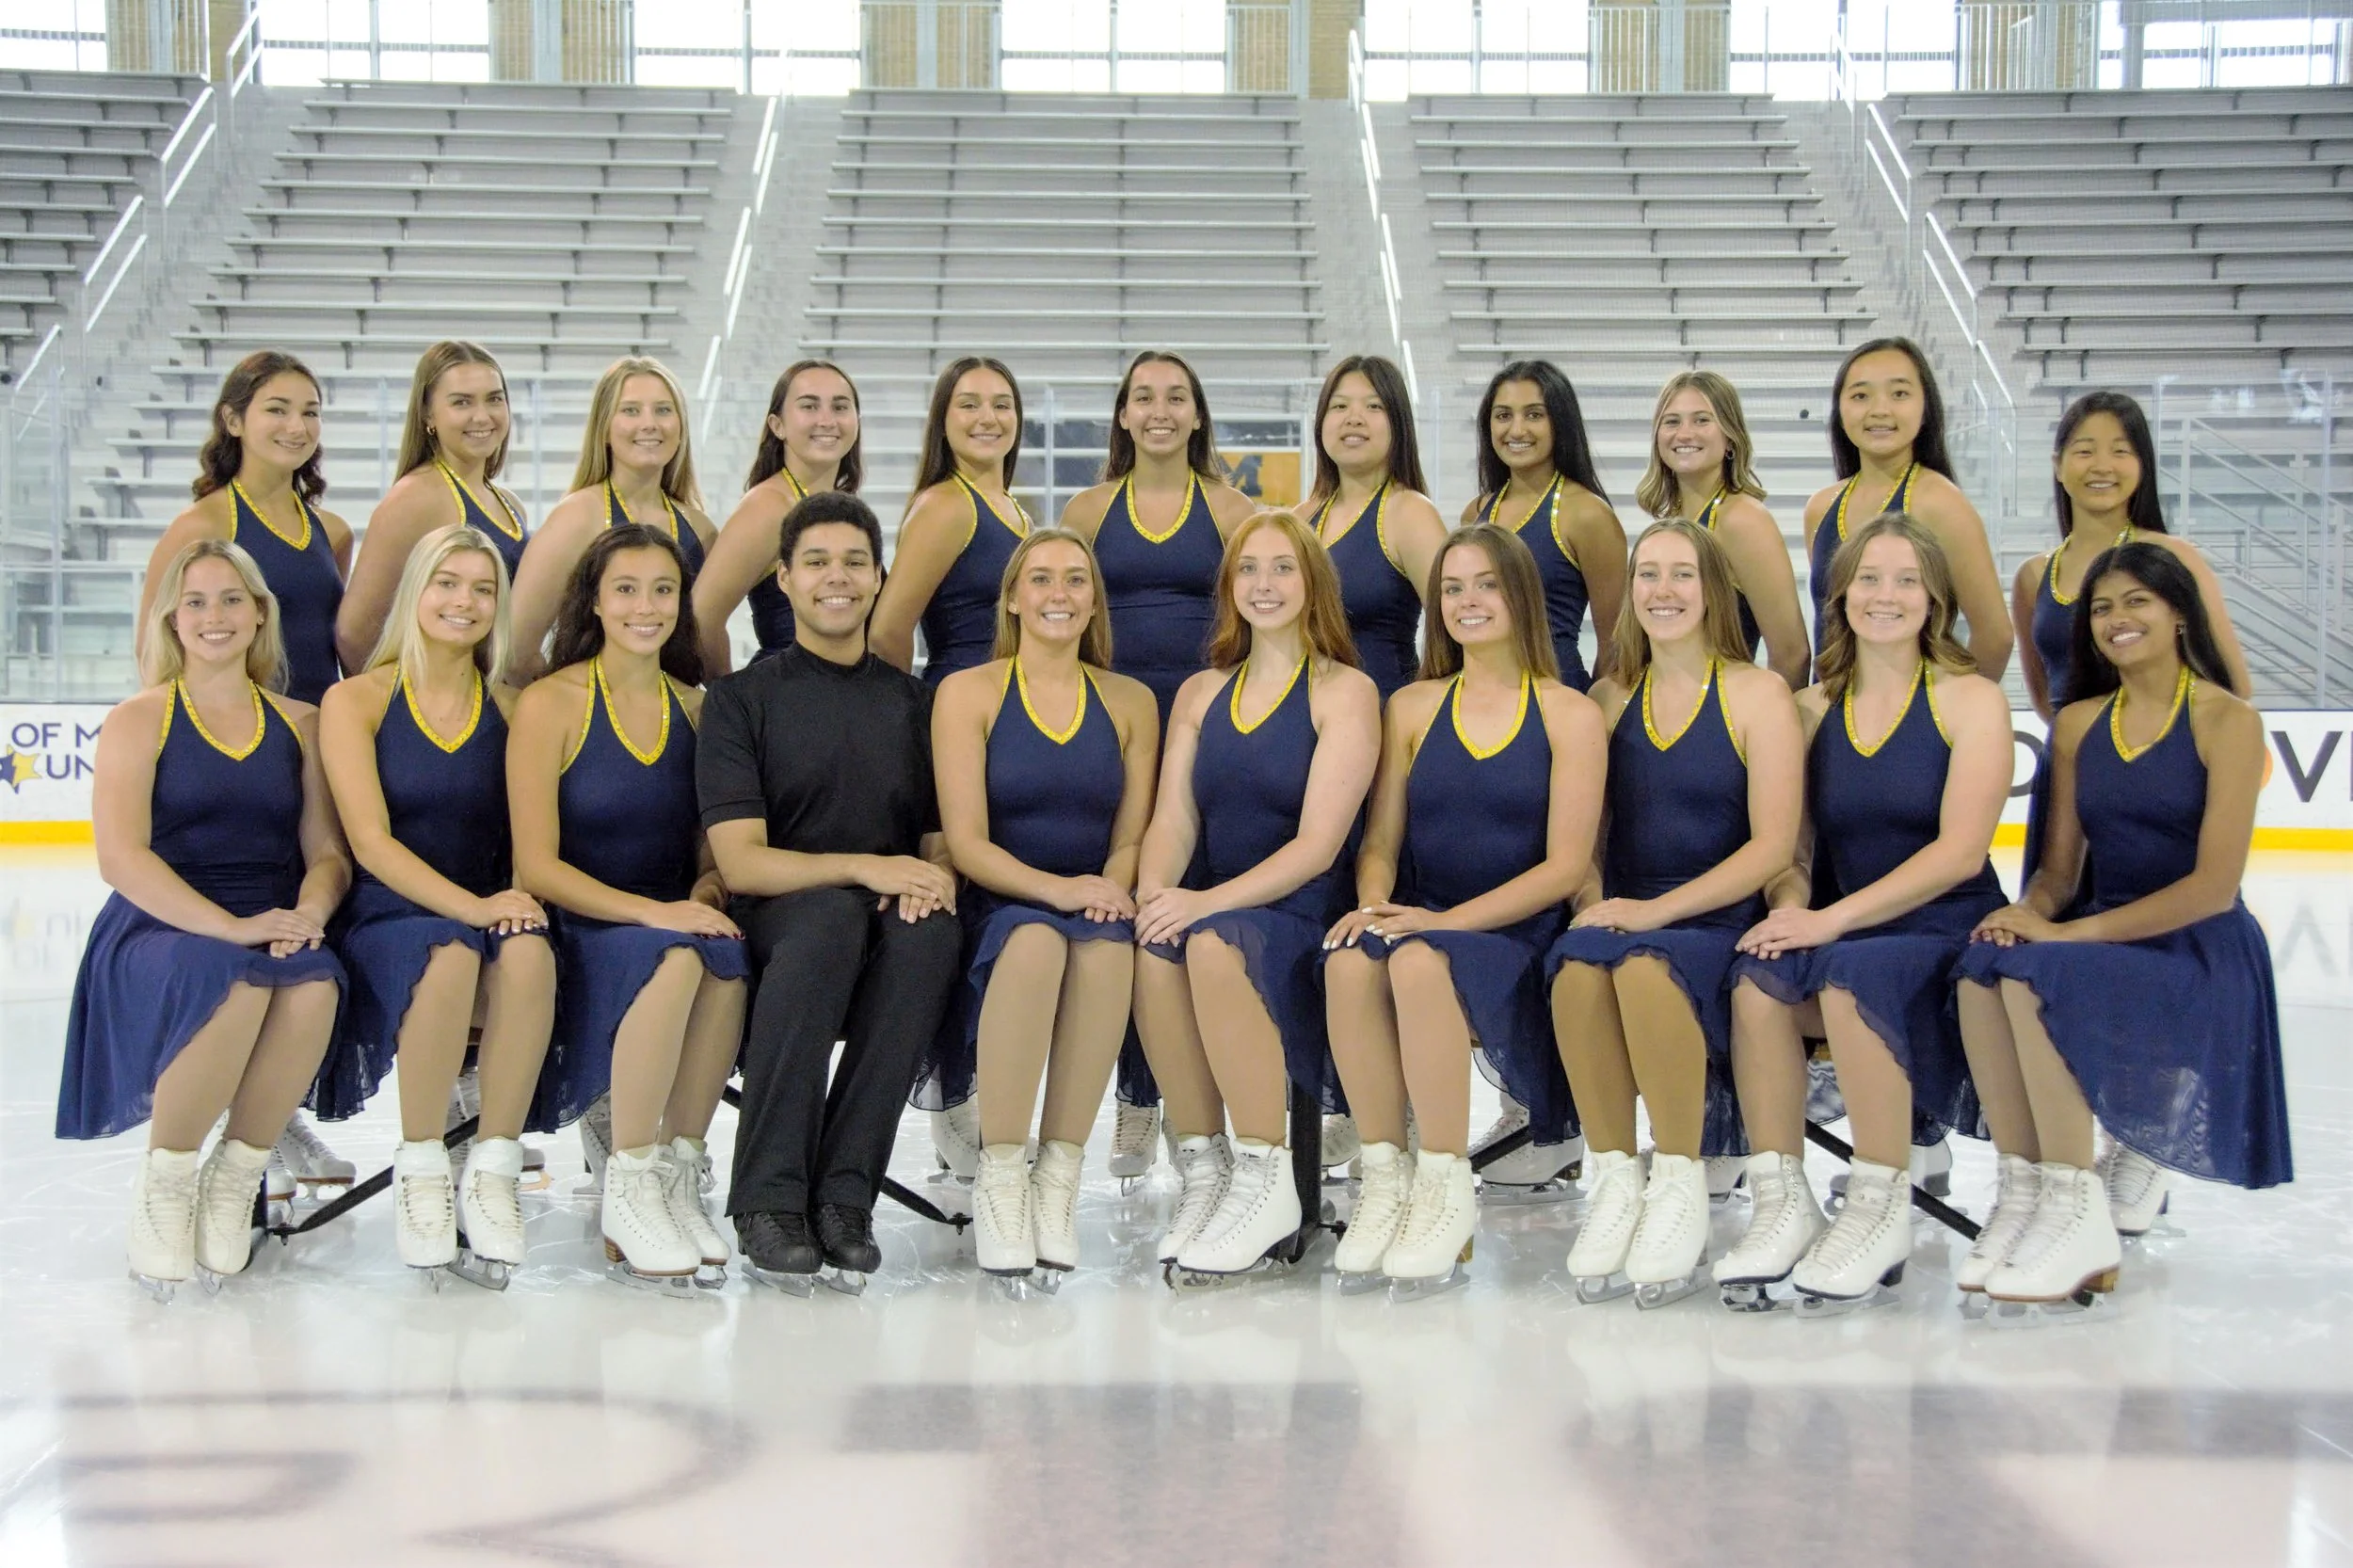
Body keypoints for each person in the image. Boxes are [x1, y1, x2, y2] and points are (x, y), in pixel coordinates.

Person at [1954, 541, 2285, 1308]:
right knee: (1982, 967)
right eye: (2102, 607)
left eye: (2137, 601)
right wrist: (2027, 914)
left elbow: (2213, 888)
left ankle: (2077, 1208)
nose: (2116, 618)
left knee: (2040, 976)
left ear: (2179, 614)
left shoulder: (2227, 720)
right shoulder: (2077, 725)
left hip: (2198, 946)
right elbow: (2058, 876)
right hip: (2106, 932)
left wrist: (2067, 936)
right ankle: (2027, 1189)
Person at [1725, 514, 2010, 1312]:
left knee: (1852, 975)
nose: (1886, 596)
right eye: (1869, 580)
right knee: (1755, 980)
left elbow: (1960, 853)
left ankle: (1879, 1199)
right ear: (1840, 595)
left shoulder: (1971, 701)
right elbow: (1793, 851)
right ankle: (1781, 1197)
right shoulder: (1810, 707)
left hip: (1943, 926)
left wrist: (1828, 922)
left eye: (1906, 581)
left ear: (1935, 600)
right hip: (1843, 927)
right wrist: (1790, 910)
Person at [57, 540, 348, 1299]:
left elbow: (327, 852)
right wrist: (229, 927)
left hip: (269, 913)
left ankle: (236, 1175)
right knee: (236, 979)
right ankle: (168, 1182)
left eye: (230, 599)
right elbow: (121, 858)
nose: (213, 616)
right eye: (195, 601)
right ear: (172, 620)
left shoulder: (301, 722)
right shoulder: (139, 718)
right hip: (161, 920)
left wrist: (307, 914)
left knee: (314, 984)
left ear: (259, 614)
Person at [1320, 524, 1604, 1292]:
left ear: (1521, 596)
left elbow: (1565, 868)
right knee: (1347, 964)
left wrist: (1438, 925)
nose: (1467, 601)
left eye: (1485, 585)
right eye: (1451, 588)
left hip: (1519, 932)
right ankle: (1388, 1177)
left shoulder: (1569, 712)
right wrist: (1374, 903)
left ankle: (1446, 1186)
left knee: (1416, 962)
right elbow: (1379, 842)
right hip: (1423, 918)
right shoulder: (1412, 707)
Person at [698, 491, 964, 1294]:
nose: (836, 578)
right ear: (783, 579)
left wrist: (929, 881)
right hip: (781, 919)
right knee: (826, 923)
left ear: (879, 577)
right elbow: (742, 864)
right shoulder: (740, 700)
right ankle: (768, 1200)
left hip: (879, 915)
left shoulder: (915, 705)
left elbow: (934, 841)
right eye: (816, 562)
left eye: (854, 562)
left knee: (931, 934)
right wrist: (865, 869)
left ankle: (845, 1197)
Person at [1543, 520, 1804, 1307]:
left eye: (1682, 574)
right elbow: (1584, 841)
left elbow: (1772, 847)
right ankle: (1617, 1180)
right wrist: (1593, 901)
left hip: (1717, 916)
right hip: (1630, 910)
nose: (1663, 590)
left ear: (1713, 589)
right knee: (1575, 969)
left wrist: (1654, 914)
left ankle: (1679, 1181)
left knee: (1647, 970)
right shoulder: (1608, 699)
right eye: (1648, 574)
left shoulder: (1757, 693)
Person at [1131, 511, 1380, 1281]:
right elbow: (1174, 818)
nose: (1263, 585)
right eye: (1247, 569)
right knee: (1152, 945)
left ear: (1313, 584)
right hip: (1220, 902)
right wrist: (1156, 892)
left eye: (1281, 568)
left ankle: (1267, 1174)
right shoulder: (1201, 692)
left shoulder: (1346, 691)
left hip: (1302, 910)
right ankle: (1207, 1169)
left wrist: (1204, 905)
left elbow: (1317, 847)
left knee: (1210, 941)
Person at [132, 350, 358, 1194]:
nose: (296, 426)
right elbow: (158, 654)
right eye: (276, 409)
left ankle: (274, 1114)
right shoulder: (200, 525)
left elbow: (336, 648)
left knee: (308, 930)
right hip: (235, 751)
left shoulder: (331, 531)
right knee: (242, 950)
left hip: (310, 749)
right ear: (233, 421)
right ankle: (245, 1124)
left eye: (310, 410)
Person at [507, 525, 746, 1292]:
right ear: (594, 601)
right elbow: (537, 866)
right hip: (581, 924)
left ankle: (678, 1168)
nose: (647, 607)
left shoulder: (699, 708)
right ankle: (630, 1179)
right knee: (676, 956)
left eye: (663, 590)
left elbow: (710, 847)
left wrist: (704, 894)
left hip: (668, 921)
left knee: (728, 958)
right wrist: (657, 915)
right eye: (627, 589)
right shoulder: (551, 703)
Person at [319, 524, 554, 1287]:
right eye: (447, 583)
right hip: (389, 912)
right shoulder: (356, 700)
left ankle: (492, 1170)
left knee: (530, 955)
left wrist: (507, 902)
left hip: (488, 906)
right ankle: (422, 1169)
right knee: (449, 953)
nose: (465, 601)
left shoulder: (515, 709)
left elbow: (530, 833)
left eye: (483, 589)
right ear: (415, 592)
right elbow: (370, 843)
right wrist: (472, 910)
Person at [933, 529, 1160, 1280]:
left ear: (1095, 601)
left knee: (1106, 949)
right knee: (1034, 944)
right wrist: (1061, 891)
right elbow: (967, 843)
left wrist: (1111, 890)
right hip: (1001, 901)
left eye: (1075, 580)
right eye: (1040, 579)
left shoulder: (1131, 701)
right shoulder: (968, 692)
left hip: (1092, 899)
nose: (1057, 594)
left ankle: (1057, 1177)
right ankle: (1002, 1175)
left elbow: (1131, 837)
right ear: (1011, 598)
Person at [1060, 349, 1257, 1183]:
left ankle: (1193, 1101)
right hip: (1118, 724)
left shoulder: (1233, 509)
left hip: (1205, 724)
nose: (1160, 411)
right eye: (1144, 397)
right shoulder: (1089, 508)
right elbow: (1065, 607)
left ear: (1198, 414)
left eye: (1177, 397)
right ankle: (1137, 1099)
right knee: (1134, 898)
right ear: (1123, 415)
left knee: (1190, 904)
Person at [867, 355, 1033, 1177]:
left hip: (1012, 721)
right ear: (942, 420)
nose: (986, 418)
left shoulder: (1012, 507)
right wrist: (915, 725)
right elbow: (889, 629)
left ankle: (985, 1095)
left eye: (1001, 404)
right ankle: (951, 1101)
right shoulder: (945, 505)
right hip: (959, 719)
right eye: (968, 405)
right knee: (955, 907)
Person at [2011, 391, 2252, 879]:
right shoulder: (2034, 576)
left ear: (2142, 465)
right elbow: (2045, 693)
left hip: (2152, 781)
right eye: (2085, 450)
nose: (2102, 465)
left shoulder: (2172, 558)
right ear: (2058, 465)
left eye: (2121, 450)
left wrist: (2149, 753)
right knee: (2055, 899)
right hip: (2071, 772)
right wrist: (2086, 744)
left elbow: (2232, 686)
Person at [1803, 338, 2010, 678]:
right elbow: (1829, 628)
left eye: (1899, 394)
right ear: (1839, 410)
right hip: (1831, 705)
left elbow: (1995, 635)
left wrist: (1956, 704)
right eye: (1860, 396)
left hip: (1912, 705)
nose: (1879, 410)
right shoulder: (1821, 507)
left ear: (1925, 407)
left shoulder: (1941, 503)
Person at [509, 357, 719, 682]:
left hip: (677, 712)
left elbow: (708, 649)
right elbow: (517, 653)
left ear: (681, 427)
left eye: (663, 410)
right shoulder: (576, 518)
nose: (649, 423)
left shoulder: (701, 530)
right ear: (604, 428)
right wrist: (565, 701)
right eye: (631, 410)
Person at [336, 342, 529, 671]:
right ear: (428, 414)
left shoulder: (510, 504)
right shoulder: (415, 498)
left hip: (492, 694)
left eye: (494, 399)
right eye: (462, 402)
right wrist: (398, 699)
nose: (482, 416)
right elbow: (354, 633)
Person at [1463, 359, 1628, 694]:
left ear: (1560, 423)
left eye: (1534, 415)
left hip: (1558, 696)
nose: (1516, 430)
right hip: (1482, 699)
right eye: (1503, 415)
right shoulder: (1475, 514)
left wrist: (1599, 712)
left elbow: (1616, 643)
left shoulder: (1587, 515)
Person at [1635, 370, 1810, 688]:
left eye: (1702, 420)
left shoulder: (1742, 520)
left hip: (1725, 709)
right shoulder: (1670, 522)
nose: (1684, 434)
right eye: (1672, 422)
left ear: (1730, 437)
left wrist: (1776, 716)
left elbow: (1791, 653)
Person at [692, 360, 863, 673]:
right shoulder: (768, 506)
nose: (827, 420)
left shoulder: (840, 506)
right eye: (809, 406)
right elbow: (701, 618)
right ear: (777, 425)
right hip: (785, 694)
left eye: (840, 407)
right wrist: (730, 694)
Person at [1296, 355, 1449, 702]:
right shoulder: (1300, 520)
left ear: (1398, 423)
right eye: (1339, 406)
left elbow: (1454, 631)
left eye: (1373, 406)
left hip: (1385, 715)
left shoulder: (1410, 513)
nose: (1354, 418)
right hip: (1305, 714)